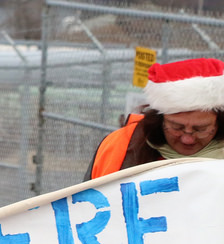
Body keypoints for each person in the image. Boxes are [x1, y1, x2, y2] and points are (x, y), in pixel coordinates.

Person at [85, 57, 224, 180]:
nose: (187, 139)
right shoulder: (119, 146)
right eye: (177, 128)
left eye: (200, 129)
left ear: (218, 123)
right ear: (160, 119)